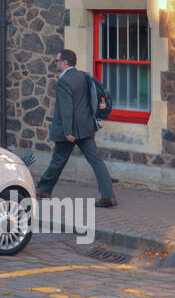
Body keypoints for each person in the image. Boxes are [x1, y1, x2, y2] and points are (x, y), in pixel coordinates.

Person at [36, 49, 117, 207]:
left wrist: (67, 132)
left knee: (58, 160)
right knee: (96, 161)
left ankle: (44, 189)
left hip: (71, 130)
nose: (56, 63)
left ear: (65, 62)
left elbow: (67, 108)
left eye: (57, 61)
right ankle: (109, 197)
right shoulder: (83, 76)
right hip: (86, 128)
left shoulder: (64, 81)